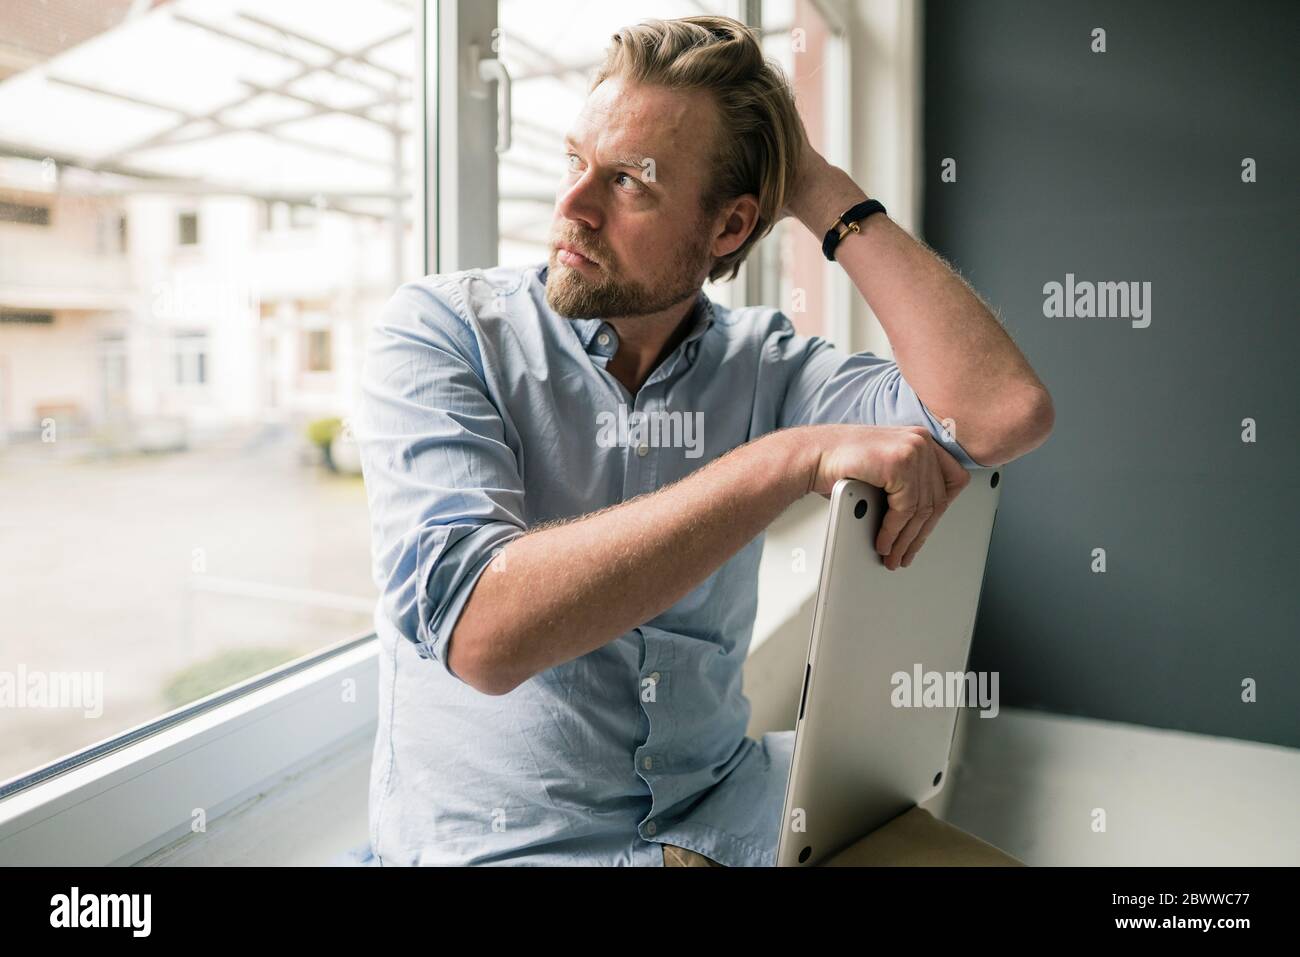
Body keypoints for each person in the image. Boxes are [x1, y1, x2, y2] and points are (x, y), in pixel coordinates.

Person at [356, 15, 1052, 866]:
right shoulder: (441, 333)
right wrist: (784, 461)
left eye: (629, 182)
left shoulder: (767, 365)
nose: (572, 207)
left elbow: (999, 411)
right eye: (576, 161)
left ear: (729, 230)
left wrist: (822, 190)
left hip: (731, 821)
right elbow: (483, 635)